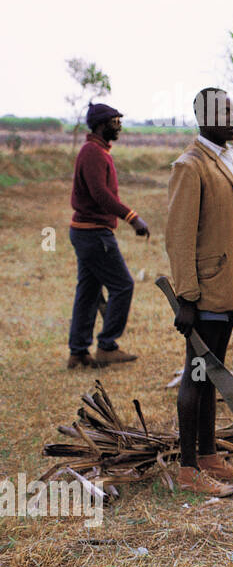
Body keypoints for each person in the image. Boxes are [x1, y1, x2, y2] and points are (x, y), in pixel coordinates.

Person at [164, 88, 233, 497]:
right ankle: (188, 469)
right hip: (203, 292)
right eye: (225, 112)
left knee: (214, 373)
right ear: (203, 117)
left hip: (228, 287)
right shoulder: (190, 166)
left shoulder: (229, 162)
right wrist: (186, 298)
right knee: (197, 374)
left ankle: (208, 456)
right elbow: (179, 238)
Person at [67, 103, 150, 369]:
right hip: (93, 234)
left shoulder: (97, 151)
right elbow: (101, 195)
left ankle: (78, 353)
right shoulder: (93, 152)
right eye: (116, 121)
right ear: (102, 124)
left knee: (89, 292)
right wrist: (132, 218)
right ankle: (107, 346)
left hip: (87, 232)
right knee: (123, 285)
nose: (120, 125)